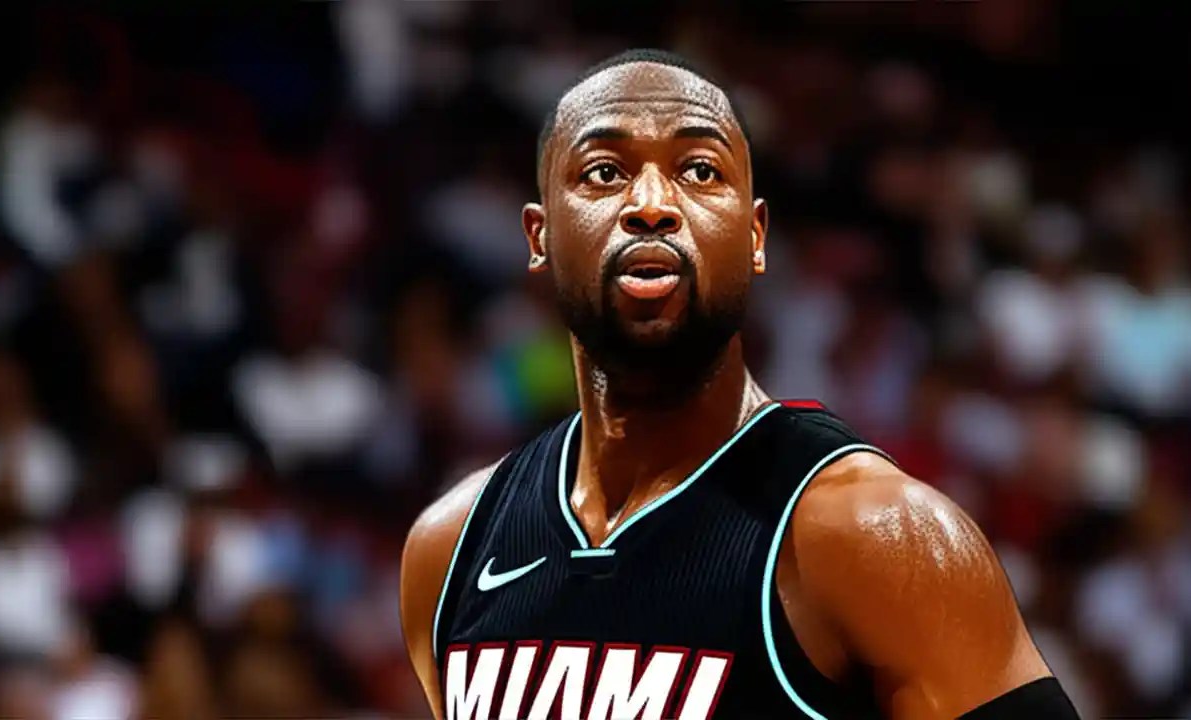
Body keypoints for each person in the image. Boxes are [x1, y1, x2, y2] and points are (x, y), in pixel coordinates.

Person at [399, 49, 1079, 720]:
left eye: (699, 170)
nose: (652, 205)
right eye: (604, 172)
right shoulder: (449, 548)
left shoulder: (873, 536)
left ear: (756, 237)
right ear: (539, 236)